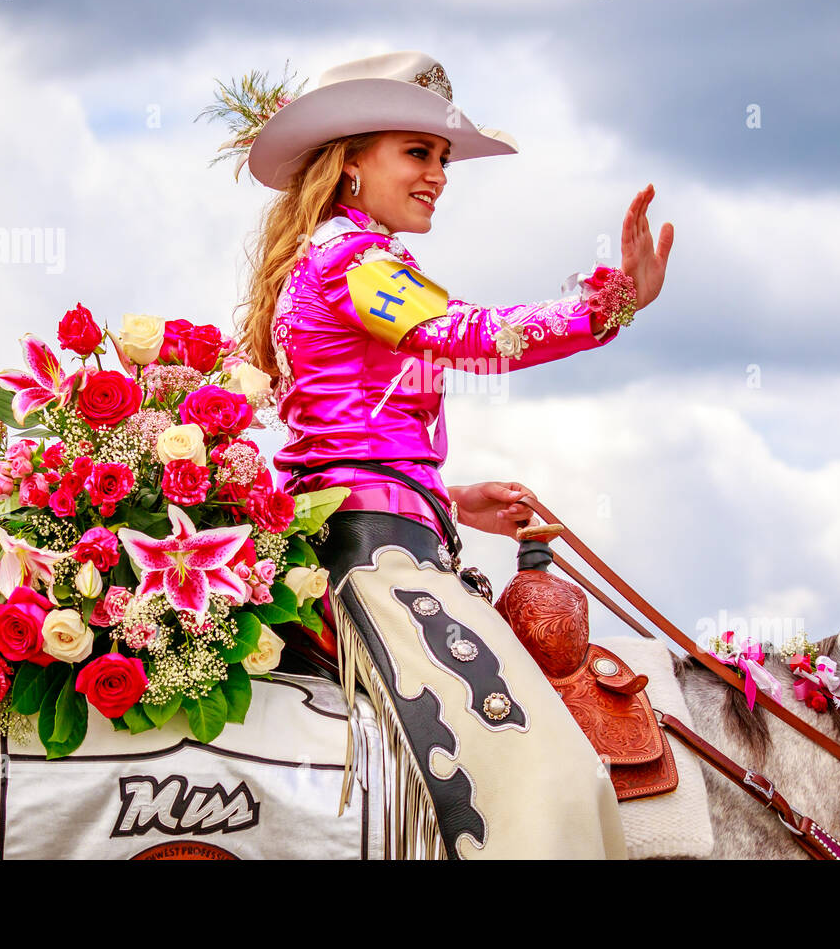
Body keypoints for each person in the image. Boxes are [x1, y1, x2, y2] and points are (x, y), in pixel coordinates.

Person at [206, 50, 674, 859]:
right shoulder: (354, 258)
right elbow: (468, 335)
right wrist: (613, 301)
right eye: (417, 153)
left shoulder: (324, 259)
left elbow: (336, 443)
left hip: (373, 535)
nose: (439, 176)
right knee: (546, 779)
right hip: (376, 562)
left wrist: (446, 500)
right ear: (350, 160)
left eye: (443, 159)